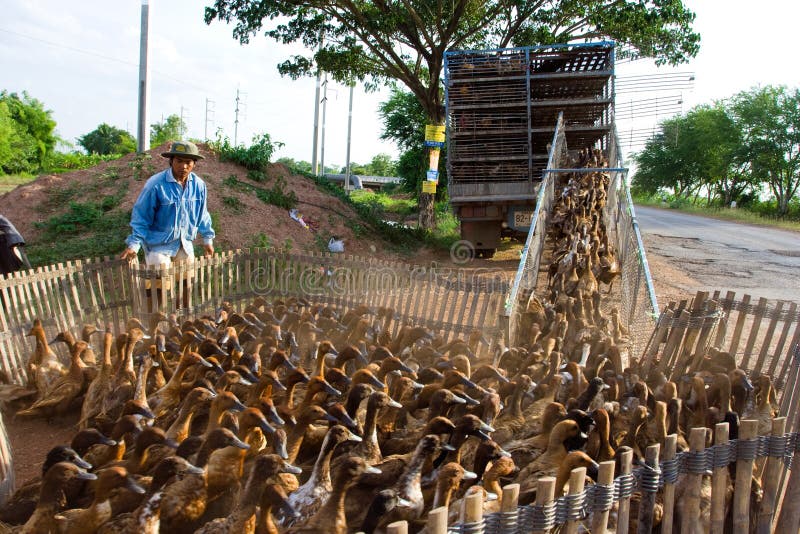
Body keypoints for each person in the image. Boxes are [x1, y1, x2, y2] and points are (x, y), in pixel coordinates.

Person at [121, 140, 215, 308]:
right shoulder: (156, 185)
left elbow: (203, 214)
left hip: (184, 243)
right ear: (171, 161)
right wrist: (134, 244)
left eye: (188, 162)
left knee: (188, 283)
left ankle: (182, 323)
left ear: (194, 164)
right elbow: (141, 216)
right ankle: (155, 326)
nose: (184, 166)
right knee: (159, 287)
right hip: (158, 245)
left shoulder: (199, 186)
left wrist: (208, 239)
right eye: (179, 161)